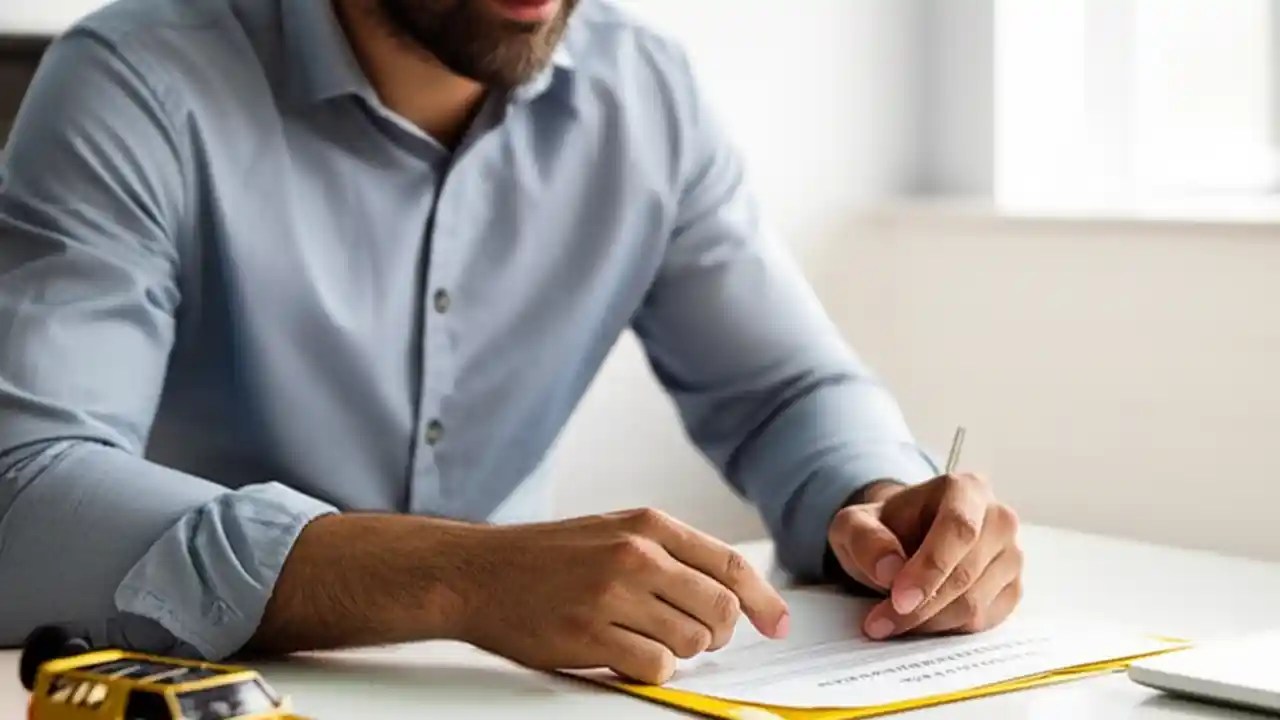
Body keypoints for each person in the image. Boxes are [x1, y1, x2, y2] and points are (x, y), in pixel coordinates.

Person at [0, 0, 1023, 684]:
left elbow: (780, 391)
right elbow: (24, 489)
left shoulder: (644, 92)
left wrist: (879, 504)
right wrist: (456, 577)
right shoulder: (136, 77)